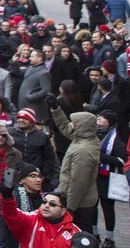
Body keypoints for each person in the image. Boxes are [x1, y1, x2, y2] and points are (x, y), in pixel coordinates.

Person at [50, 97, 100, 234]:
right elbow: (66, 128)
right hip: (82, 201)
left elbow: (78, 183)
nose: (71, 125)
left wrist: (69, 208)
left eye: (75, 123)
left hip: (79, 204)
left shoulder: (83, 151)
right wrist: (56, 109)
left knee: (78, 236)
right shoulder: (86, 138)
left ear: (81, 127)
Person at [0, 186, 80, 248]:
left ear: (63, 211)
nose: (47, 206)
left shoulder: (75, 232)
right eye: (44, 202)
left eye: (52, 204)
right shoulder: (31, 221)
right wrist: (7, 197)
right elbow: (11, 214)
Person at [95, 111, 126, 248]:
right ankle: (94, 233)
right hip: (93, 177)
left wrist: (100, 156)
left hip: (107, 180)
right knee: (92, 207)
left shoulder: (116, 140)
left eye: (102, 119)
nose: (98, 120)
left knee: (108, 209)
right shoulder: (96, 134)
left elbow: (121, 161)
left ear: (110, 122)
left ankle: (110, 238)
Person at [11, 108, 60, 187]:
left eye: (25, 118)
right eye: (19, 118)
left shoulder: (42, 136)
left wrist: (45, 175)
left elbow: (50, 157)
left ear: (32, 121)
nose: (21, 120)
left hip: (36, 177)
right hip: (15, 176)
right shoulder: (9, 133)